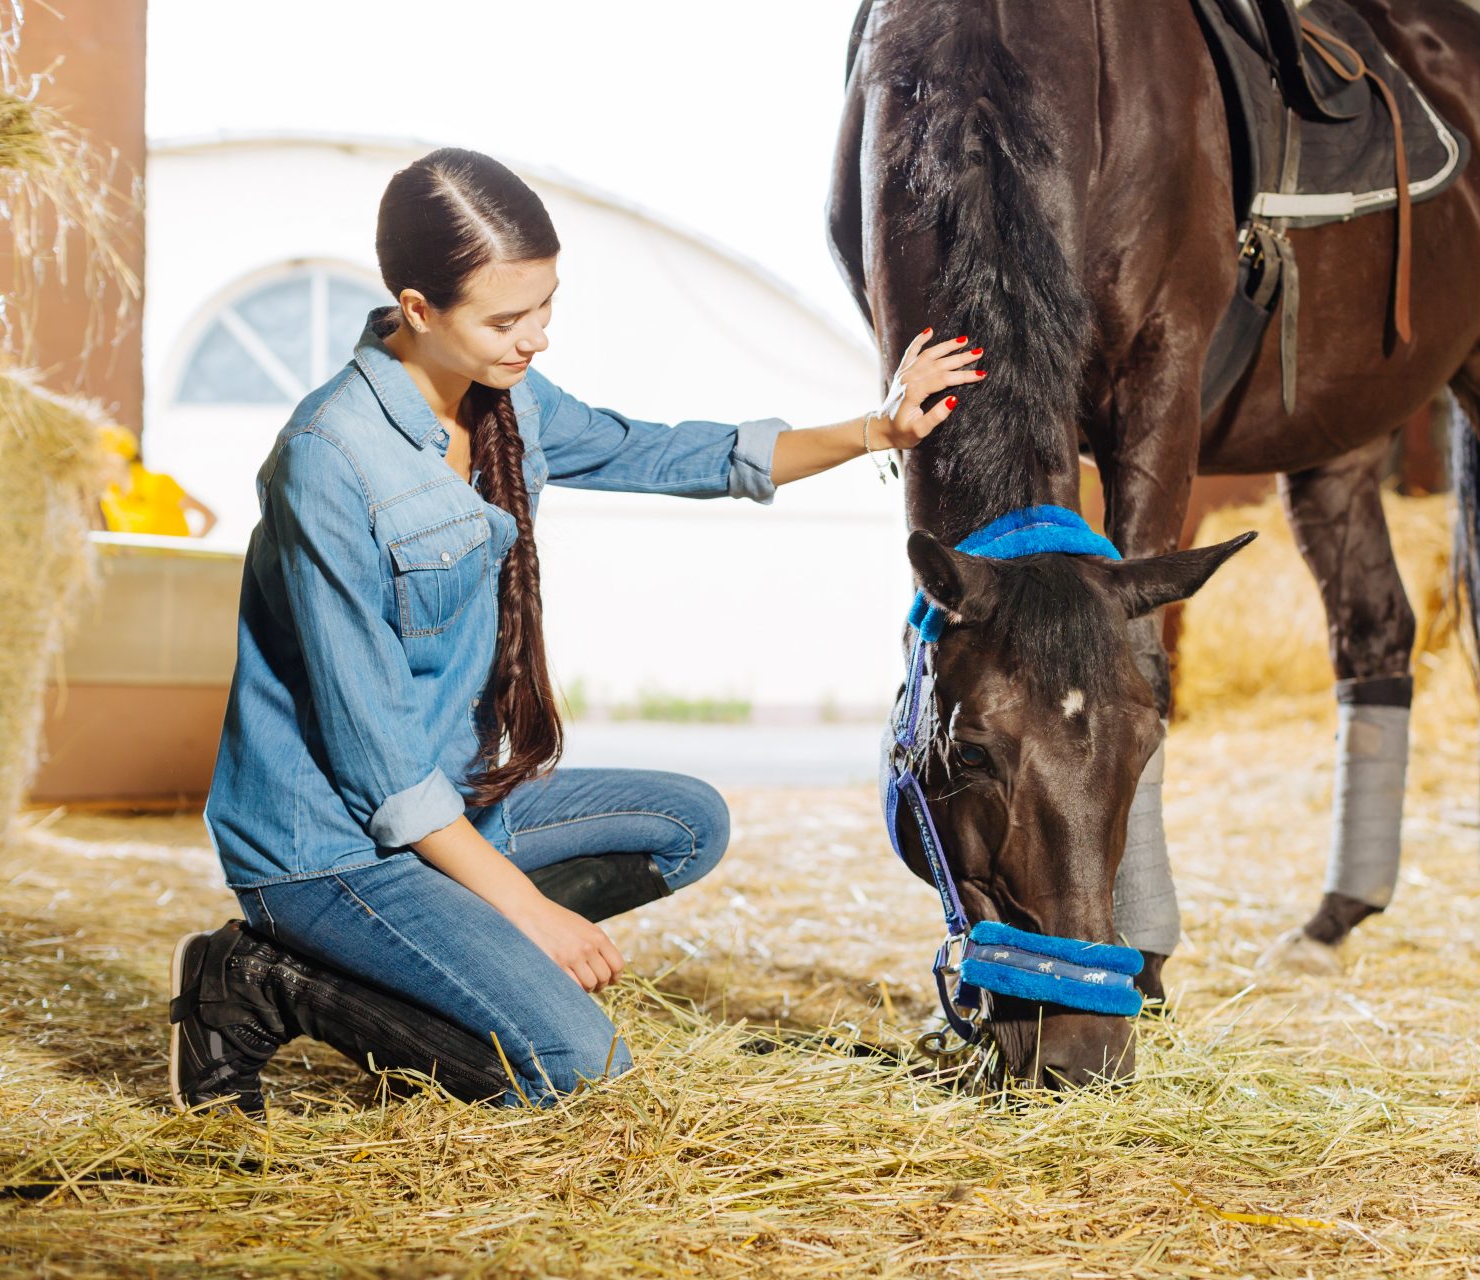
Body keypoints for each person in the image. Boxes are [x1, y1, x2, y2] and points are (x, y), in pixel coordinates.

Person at [169, 147, 986, 1114]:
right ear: (417, 310)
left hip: (458, 798)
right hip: (331, 847)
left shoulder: (507, 397)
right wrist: (534, 918)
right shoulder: (328, 459)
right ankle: (258, 981)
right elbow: (377, 768)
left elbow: (662, 451)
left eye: (548, 305)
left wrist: (874, 431)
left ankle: (444, 967)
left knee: (688, 822)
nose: (538, 338)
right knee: (576, 1071)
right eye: (508, 319)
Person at [97, 424, 219, 537]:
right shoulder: (109, 496)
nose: (99, 463)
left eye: (104, 456)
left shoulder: (159, 483)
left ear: (123, 455)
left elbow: (210, 516)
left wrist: (188, 551)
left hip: (173, 560)